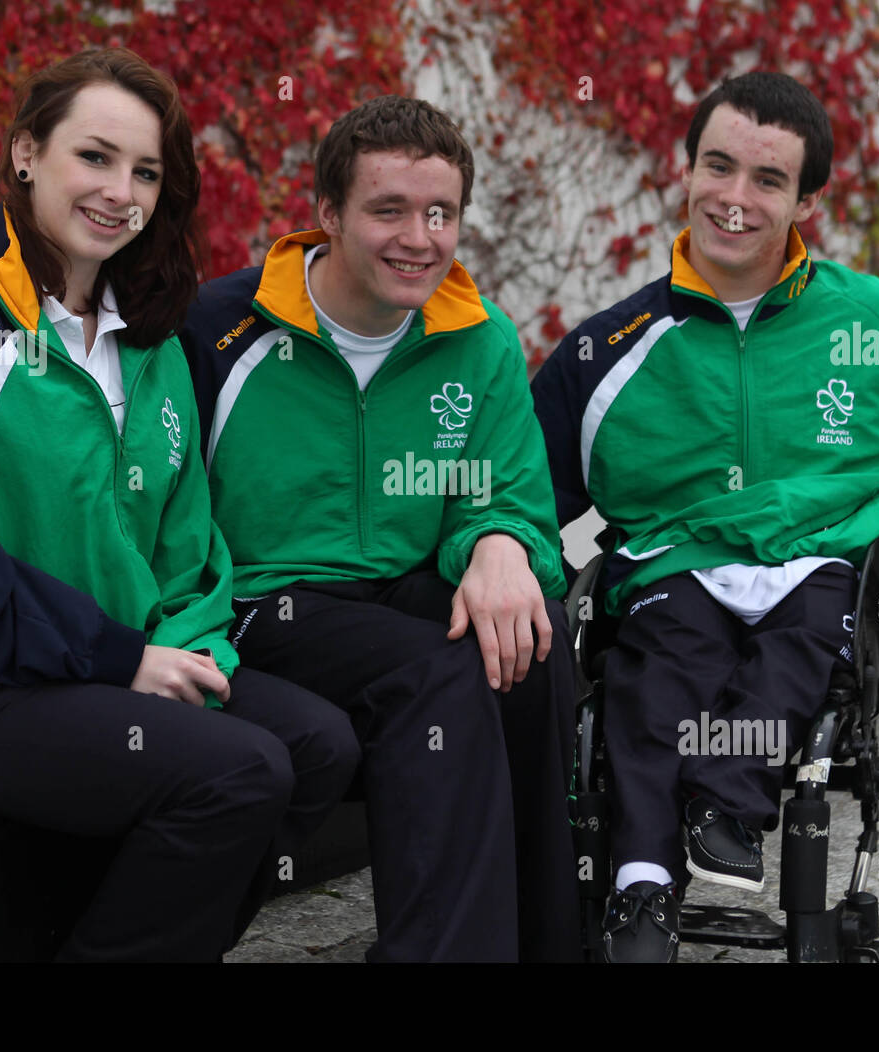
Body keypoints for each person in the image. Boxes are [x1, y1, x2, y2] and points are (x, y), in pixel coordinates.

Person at [0, 47, 358, 962]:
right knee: (240, 770)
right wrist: (122, 661)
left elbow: (188, 534)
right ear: (27, 153)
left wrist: (189, 644)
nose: (122, 191)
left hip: (118, 668)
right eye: (96, 157)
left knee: (320, 744)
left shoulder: (150, 332)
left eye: (146, 171)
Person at [531, 71, 879, 963]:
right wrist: (515, 565)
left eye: (767, 180)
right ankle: (641, 886)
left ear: (807, 199)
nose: (734, 198)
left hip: (822, 556)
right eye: (717, 167)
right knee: (654, 674)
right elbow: (526, 493)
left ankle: (729, 799)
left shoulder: (874, 324)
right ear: (685, 172)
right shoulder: (608, 350)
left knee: (801, 649)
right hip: (676, 560)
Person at [179, 95, 581, 962]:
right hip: (263, 601)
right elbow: (157, 498)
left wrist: (502, 546)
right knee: (438, 669)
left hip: (395, 589)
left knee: (534, 653)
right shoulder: (219, 329)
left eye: (440, 213)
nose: (418, 237)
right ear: (327, 214)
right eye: (388, 209)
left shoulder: (479, 339)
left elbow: (512, 495)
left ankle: (548, 948)